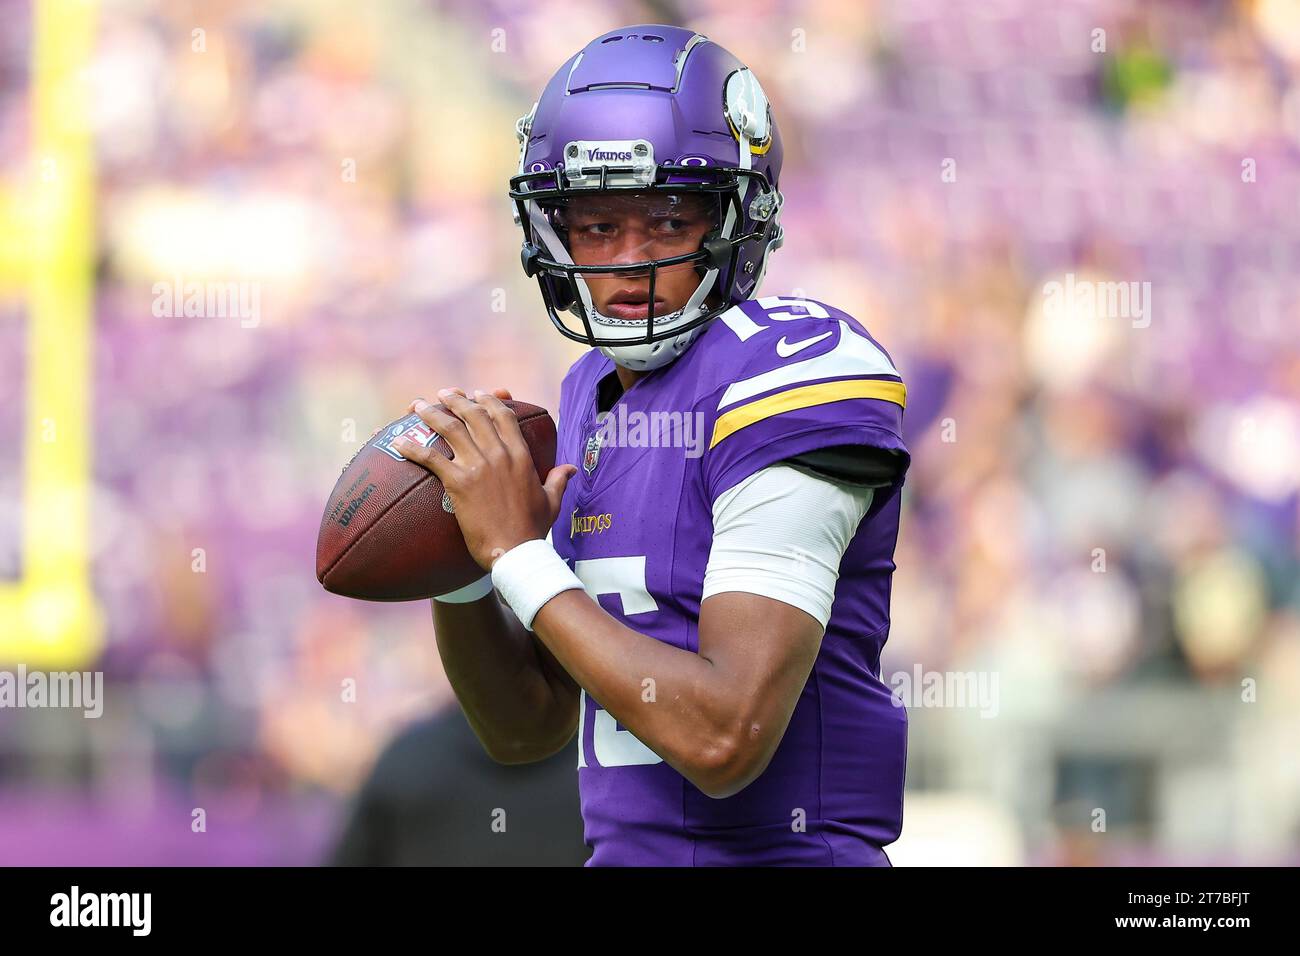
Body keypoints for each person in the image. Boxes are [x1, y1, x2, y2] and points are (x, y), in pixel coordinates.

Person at [394, 24, 910, 866]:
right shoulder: (589, 391)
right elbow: (526, 729)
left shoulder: (797, 370)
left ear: (744, 216)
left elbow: (724, 737)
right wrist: (462, 571)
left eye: (668, 221)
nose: (628, 266)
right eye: (595, 227)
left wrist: (521, 557)